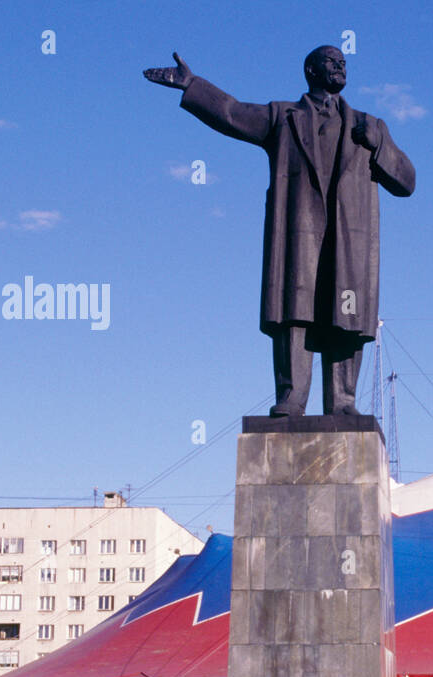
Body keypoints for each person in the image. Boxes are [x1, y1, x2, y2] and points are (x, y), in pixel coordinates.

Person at [143, 46, 416, 416]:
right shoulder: (283, 117)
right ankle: (291, 398)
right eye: (331, 61)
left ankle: (344, 403)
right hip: (298, 234)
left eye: (343, 61)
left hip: (348, 240)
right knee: (296, 311)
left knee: (345, 311)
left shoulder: (370, 125)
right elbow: (232, 113)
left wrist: (380, 145)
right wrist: (193, 85)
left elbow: (407, 182)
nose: (340, 65)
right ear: (310, 70)